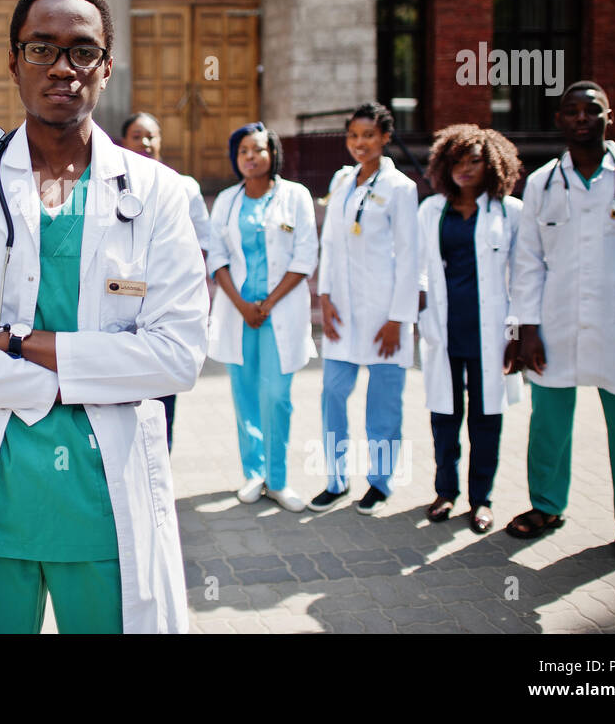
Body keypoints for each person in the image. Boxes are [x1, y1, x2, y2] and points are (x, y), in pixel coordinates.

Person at [0, 0, 209, 634]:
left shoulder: (157, 192)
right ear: (13, 61)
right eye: (41, 48)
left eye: (82, 50)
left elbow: (178, 356)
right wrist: (94, 373)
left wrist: (17, 341)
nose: (63, 67)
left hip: (104, 500)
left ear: (106, 65)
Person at [505, 81, 615, 570]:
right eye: (571, 111)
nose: (582, 118)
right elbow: (528, 261)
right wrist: (527, 328)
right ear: (559, 120)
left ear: (610, 117)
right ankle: (546, 507)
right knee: (548, 424)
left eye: (592, 110)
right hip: (556, 325)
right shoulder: (542, 182)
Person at [310, 101, 420, 515]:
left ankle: (380, 482)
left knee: (384, 405)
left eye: (369, 136)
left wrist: (398, 319)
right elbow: (331, 245)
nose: (360, 143)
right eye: (354, 136)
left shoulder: (401, 188)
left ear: (386, 138)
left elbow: (410, 256)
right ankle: (336, 480)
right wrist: (324, 296)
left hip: (383, 314)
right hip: (342, 312)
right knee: (333, 394)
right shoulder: (341, 181)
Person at [417, 125, 523, 534]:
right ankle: (445, 491)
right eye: (457, 161)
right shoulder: (431, 210)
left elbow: (523, 276)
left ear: (491, 165)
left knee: (485, 417)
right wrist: (419, 312)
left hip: (490, 332)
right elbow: (417, 268)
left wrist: (515, 334)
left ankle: (481, 499)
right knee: (444, 413)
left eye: (474, 161)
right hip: (445, 330)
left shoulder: (509, 212)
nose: (464, 169)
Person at [206, 122, 317, 512]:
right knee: (245, 395)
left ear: (273, 154)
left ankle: (279, 479)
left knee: (277, 396)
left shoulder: (296, 196)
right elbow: (216, 255)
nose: (250, 157)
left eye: (258, 150)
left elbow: (305, 256)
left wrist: (266, 305)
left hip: (279, 311)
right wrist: (240, 304)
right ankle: (253, 474)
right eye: (243, 152)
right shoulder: (226, 200)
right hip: (239, 313)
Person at [119, 110, 210, 451]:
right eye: (136, 135)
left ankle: (158, 476)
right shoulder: (110, 186)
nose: (144, 142)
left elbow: (203, 242)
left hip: (164, 306)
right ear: (123, 142)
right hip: (121, 309)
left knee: (160, 406)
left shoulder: (182, 186)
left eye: (151, 136)